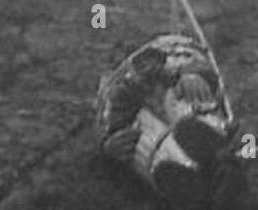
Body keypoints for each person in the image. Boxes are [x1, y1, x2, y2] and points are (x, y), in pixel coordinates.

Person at [95, 34, 237, 200]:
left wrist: (192, 75)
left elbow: (196, 61)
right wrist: (108, 147)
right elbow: (106, 125)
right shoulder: (118, 99)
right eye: (147, 92)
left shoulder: (174, 70)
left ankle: (216, 152)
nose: (152, 97)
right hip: (160, 157)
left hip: (198, 124)